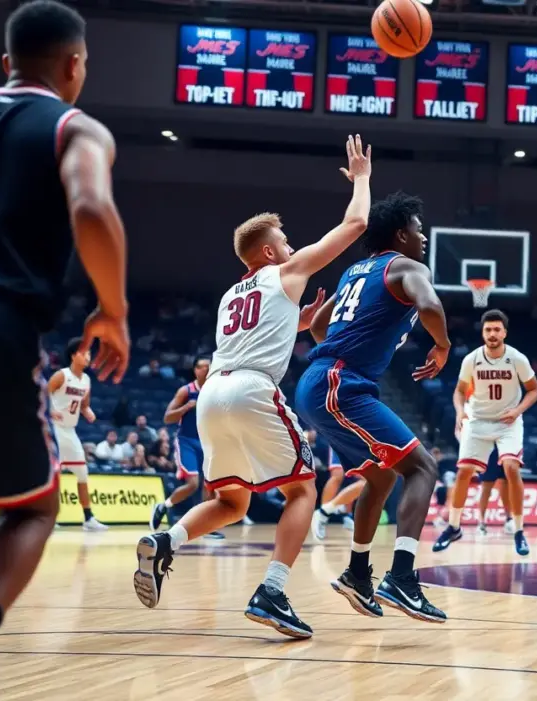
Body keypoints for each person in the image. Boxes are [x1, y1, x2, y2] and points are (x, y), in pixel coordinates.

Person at [0, 1, 130, 696]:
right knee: (28, 508)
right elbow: (90, 207)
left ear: (5, 64)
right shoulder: (74, 126)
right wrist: (113, 311)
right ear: (75, 65)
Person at [132, 134, 371, 640]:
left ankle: (166, 538)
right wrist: (362, 178)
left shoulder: (230, 294)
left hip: (213, 395)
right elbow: (356, 225)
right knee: (302, 490)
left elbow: (259, 334)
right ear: (269, 251)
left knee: (233, 502)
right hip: (251, 391)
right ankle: (273, 590)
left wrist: (299, 323)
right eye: (285, 240)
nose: (292, 245)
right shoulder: (285, 270)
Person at [295, 191, 451, 623]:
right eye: (418, 229)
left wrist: (353, 342)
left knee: (380, 478)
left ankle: (357, 575)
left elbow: (321, 326)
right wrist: (442, 345)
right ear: (401, 234)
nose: (423, 237)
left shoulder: (353, 272)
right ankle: (402, 577)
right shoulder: (407, 266)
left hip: (325, 380)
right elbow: (431, 305)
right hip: (341, 383)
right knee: (423, 468)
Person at [433, 309, 537, 556]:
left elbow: (534, 390)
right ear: (483, 332)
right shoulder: (471, 359)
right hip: (478, 419)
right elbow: (460, 391)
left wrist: (517, 410)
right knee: (464, 472)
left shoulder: (517, 358)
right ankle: (453, 526)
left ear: (504, 332)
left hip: (508, 421)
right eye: (488, 329)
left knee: (512, 468)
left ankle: (519, 530)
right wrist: (460, 411)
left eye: (496, 329)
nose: (492, 333)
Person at [149, 356, 218, 533]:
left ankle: (207, 525)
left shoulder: (214, 391)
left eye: (208, 367)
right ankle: (163, 506)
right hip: (186, 441)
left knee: (209, 485)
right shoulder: (186, 391)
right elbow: (168, 417)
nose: (205, 370)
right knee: (193, 484)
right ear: (195, 370)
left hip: (207, 441)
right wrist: (187, 407)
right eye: (201, 367)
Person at [47, 337, 107, 531]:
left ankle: (88, 518)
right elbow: (41, 395)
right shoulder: (61, 376)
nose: (89, 356)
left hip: (70, 431)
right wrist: (49, 410)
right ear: (74, 355)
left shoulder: (87, 380)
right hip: (54, 428)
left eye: (90, 353)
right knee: (52, 474)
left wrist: (88, 412)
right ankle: (49, 517)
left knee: (82, 472)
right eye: (85, 352)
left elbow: (84, 404)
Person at [311, 449, 365, 540]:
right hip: (341, 436)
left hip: (361, 441)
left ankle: (341, 514)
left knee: (367, 480)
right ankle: (323, 515)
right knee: (337, 475)